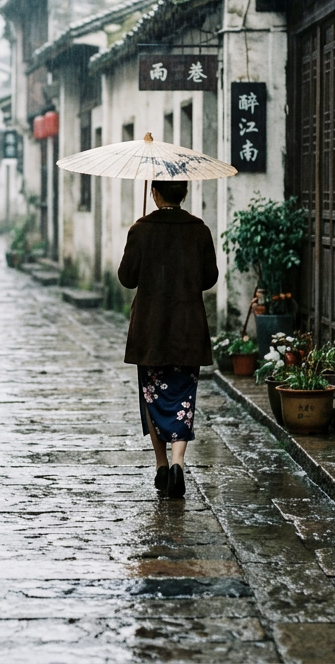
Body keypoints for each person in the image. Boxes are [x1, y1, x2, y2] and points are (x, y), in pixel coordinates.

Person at [117, 179, 218, 499]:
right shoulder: (199, 230)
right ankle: (178, 462)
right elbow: (209, 278)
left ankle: (161, 464)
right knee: (183, 394)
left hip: (150, 329)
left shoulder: (141, 229)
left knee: (151, 394)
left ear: (154, 193)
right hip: (187, 328)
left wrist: (141, 238)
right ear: (185, 193)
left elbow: (126, 278)